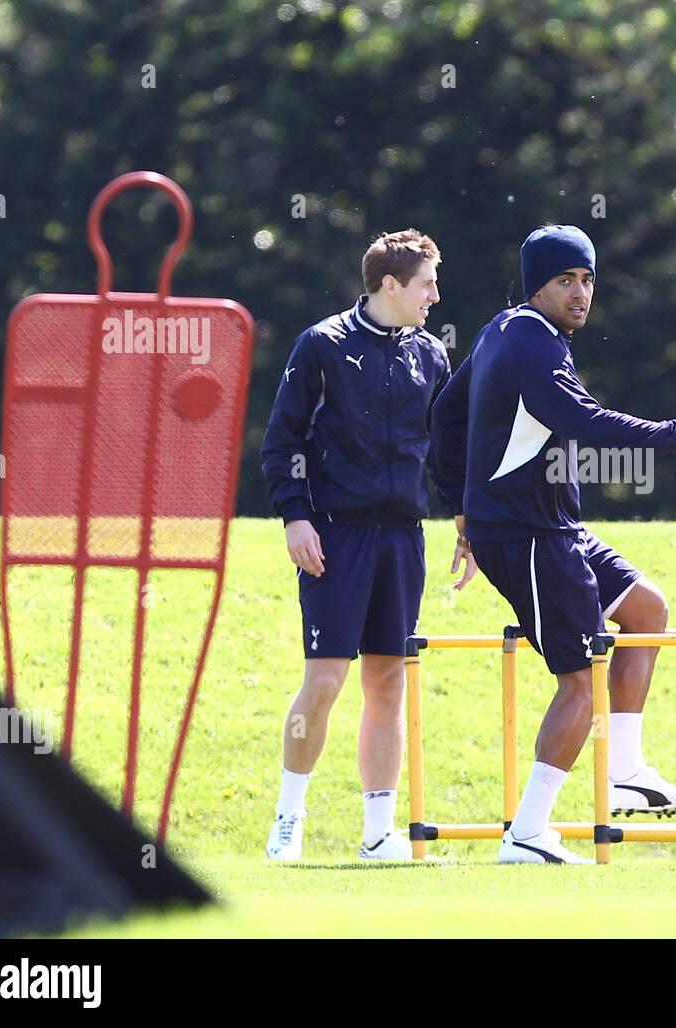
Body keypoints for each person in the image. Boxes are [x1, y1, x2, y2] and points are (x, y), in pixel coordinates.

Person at [430, 224, 676, 863]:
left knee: (646, 608)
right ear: (536, 284)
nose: (580, 293)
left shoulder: (501, 330)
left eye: (587, 280)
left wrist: (462, 509)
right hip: (528, 537)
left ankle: (626, 769)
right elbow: (583, 420)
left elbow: (446, 415)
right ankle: (525, 835)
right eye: (565, 280)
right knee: (579, 683)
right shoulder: (529, 342)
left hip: (552, 528)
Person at [259, 228, 471, 862]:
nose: (436, 294)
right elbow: (280, 442)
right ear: (391, 285)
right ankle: (288, 817)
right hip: (335, 535)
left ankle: (380, 833)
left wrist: (465, 521)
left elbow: (448, 453)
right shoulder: (321, 345)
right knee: (324, 681)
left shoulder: (433, 355)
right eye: (428, 283)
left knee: (387, 685)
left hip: (402, 540)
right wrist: (295, 518)